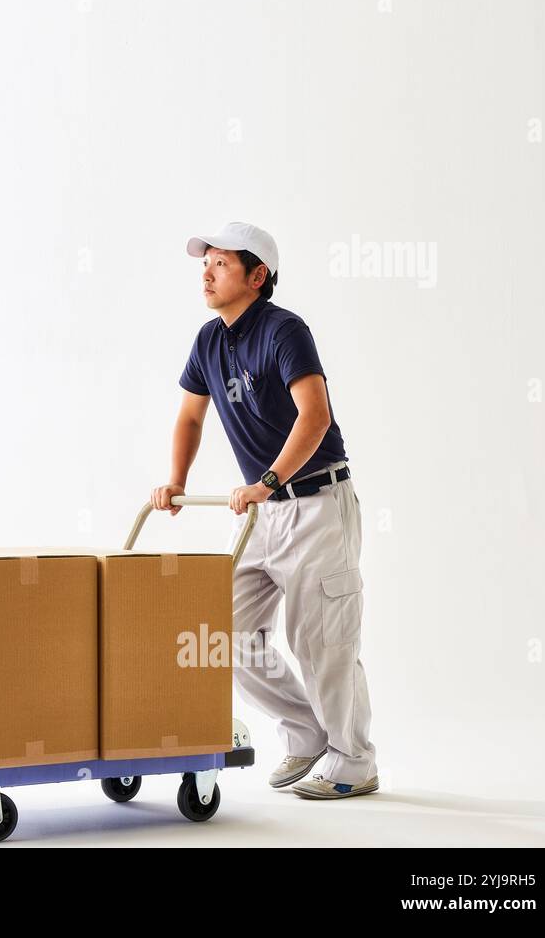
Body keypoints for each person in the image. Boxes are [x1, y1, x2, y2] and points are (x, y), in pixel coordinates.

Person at [151, 221, 379, 799]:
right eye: (205, 262)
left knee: (322, 639)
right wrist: (174, 483)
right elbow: (189, 418)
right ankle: (305, 734)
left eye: (221, 263)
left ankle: (353, 760)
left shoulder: (285, 331)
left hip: (318, 502)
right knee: (223, 632)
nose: (206, 271)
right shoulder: (208, 340)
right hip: (264, 511)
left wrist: (270, 478)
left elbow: (315, 416)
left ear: (258, 276)